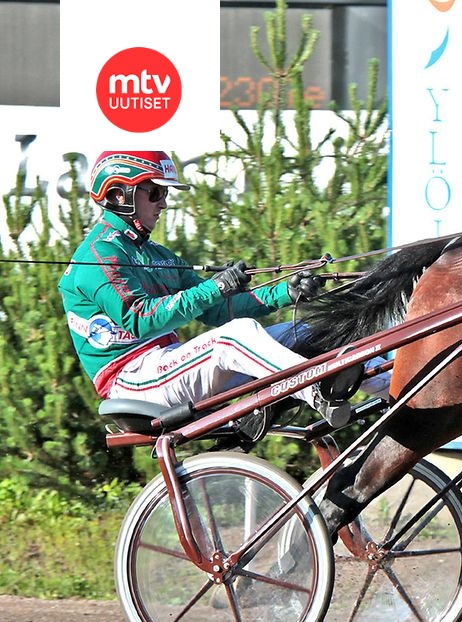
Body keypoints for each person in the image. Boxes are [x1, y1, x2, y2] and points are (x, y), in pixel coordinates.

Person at [58, 150, 365, 427]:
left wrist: (286, 292)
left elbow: (217, 310)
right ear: (118, 194)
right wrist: (216, 287)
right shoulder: (97, 256)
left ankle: (398, 392)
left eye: (164, 193)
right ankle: (319, 389)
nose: (163, 202)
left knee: (307, 330)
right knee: (236, 336)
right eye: (154, 192)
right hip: (134, 380)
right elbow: (141, 319)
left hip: (168, 365)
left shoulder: (158, 254)